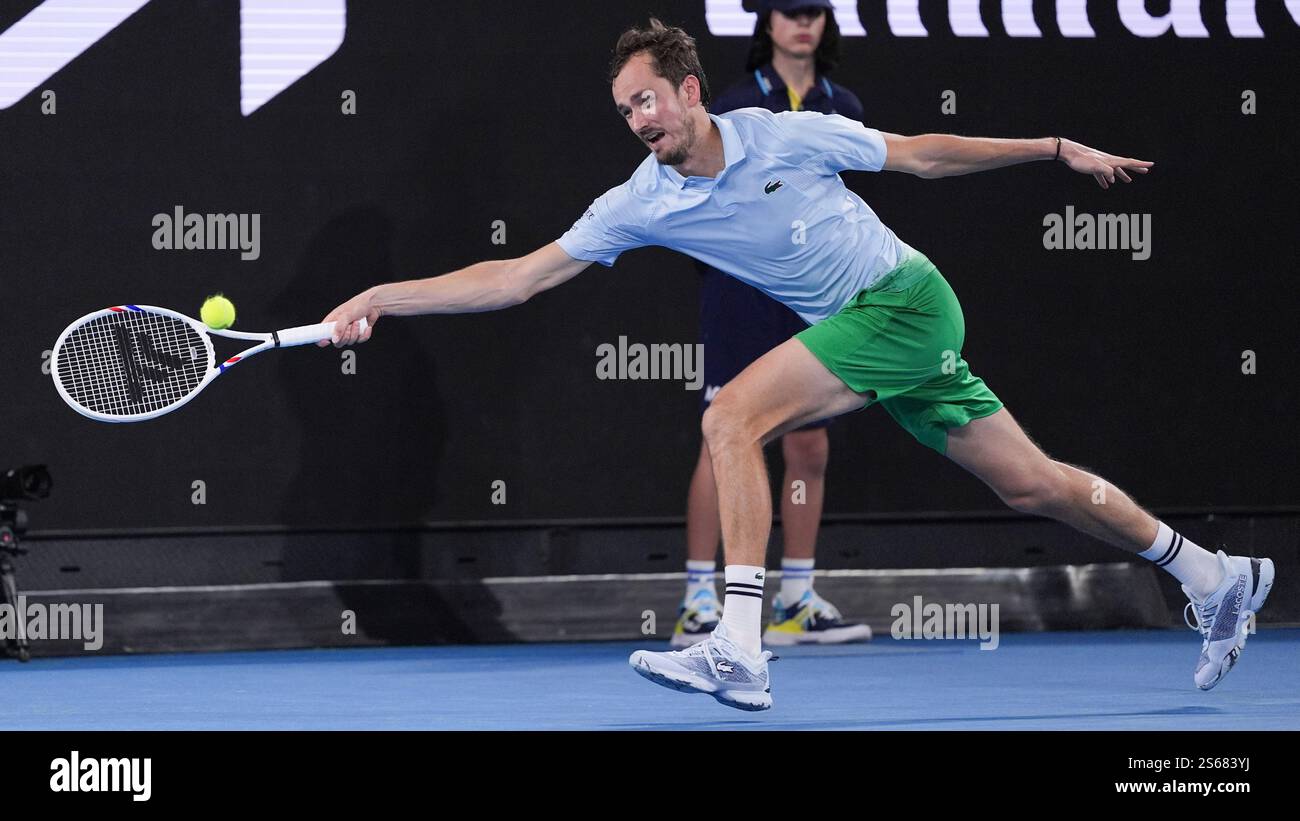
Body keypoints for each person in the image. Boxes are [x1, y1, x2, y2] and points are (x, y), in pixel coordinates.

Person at [319, 20, 1275, 712]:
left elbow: (922, 157)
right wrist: (382, 297)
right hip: (883, 329)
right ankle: (1210, 572)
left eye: (648, 98)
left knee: (729, 416)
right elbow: (517, 278)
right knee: (1031, 484)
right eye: (623, 109)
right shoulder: (641, 201)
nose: (637, 120)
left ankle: (738, 641)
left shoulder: (785, 133)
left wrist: (1052, 148)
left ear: (692, 91)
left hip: (904, 299)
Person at [675, 0, 872, 649]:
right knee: (724, 433)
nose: (802, 22)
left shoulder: (843, 105)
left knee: (808, 444)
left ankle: (795, 596)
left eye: (813, 11)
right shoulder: (729, 104)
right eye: (789, 10)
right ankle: (700, 598)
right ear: (768, 24)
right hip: (741, 290)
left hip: (810, 290)